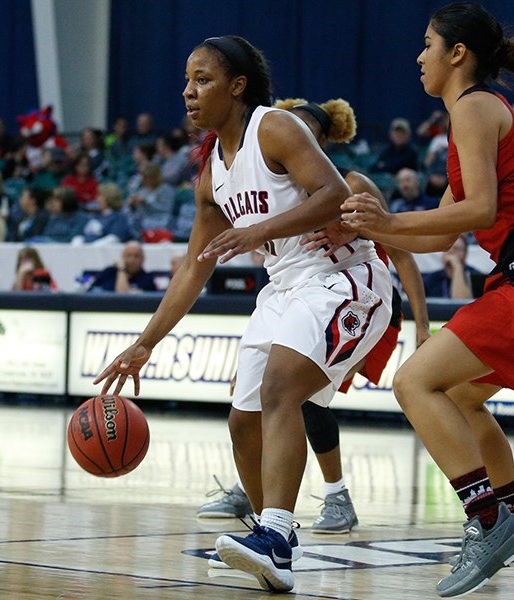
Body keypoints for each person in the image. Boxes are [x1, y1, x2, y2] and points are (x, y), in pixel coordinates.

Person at [93, 35, 391, 593]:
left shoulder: (275, 129)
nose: (188, 91)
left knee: (281, 391)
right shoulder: (212, 175)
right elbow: (192, 269)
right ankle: (265, 539)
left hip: (343, 278)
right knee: (242, 420)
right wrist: (146, 342)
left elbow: (332, 194)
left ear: (237, 86)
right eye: (186, 80)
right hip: (284, 288)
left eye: (202, 79)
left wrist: (257, 231)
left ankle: (278, 535)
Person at [341, 4, 514, 596]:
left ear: (458, 54)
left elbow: (480, 209)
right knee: (458, 395)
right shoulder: (476, 113)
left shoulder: (474, 108)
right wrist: (371, 227)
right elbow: (441, 231)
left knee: (414, 382)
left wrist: (384, 217)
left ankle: (488, 522)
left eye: (428, 43)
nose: (419, 56)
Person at [198, 96, 432, 540]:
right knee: (271, 401)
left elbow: (401, 253)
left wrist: (423, 325)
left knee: (294, 395)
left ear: (318, 141)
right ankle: (267, 499)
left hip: (357, 292)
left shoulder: (349, 183)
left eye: (299, 130)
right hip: (299, 296)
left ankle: (327, 496)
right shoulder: (268, 179)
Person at [422, 235, 478, 299]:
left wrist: (457, 267)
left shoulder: (475, 276)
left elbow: (460, 301)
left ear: (465, 254)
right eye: (447, 248)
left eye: (456, 248)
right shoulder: (431, 279)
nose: (451, 251)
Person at [88, 241, 158, 293]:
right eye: (128, 256)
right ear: (122, 257)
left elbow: (123, 296)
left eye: (136, 256)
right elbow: (89, 291)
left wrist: (121, 269)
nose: (132, 260)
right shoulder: (109, 272)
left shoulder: (147, 279)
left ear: (143, 259)